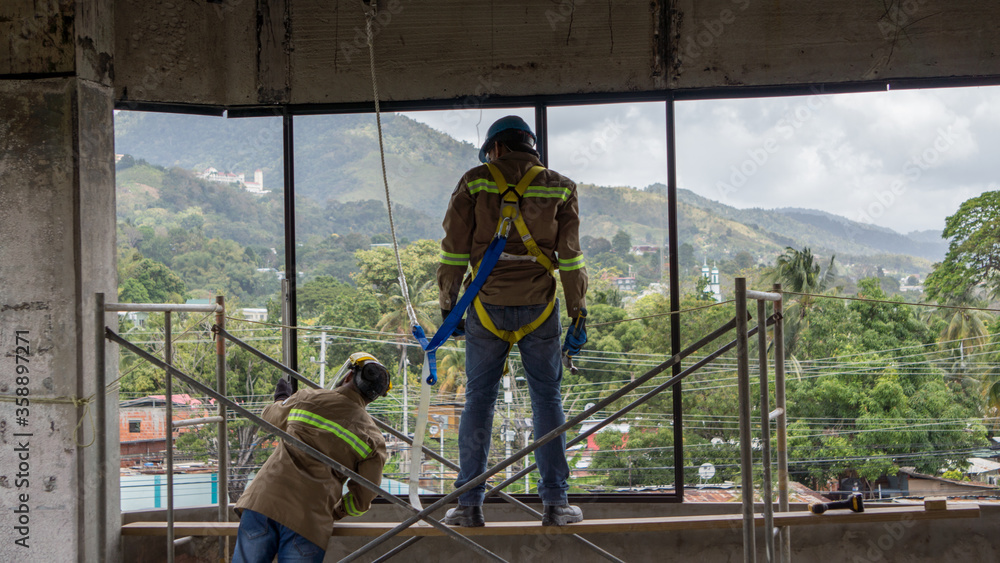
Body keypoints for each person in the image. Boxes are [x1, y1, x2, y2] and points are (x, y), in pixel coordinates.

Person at [437, 115, 588, 527]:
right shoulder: (561, 185)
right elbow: (571, 259)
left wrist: (450, 305)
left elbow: (453, 251)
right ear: (531, 148)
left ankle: (469, 505)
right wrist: (578, 311)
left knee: (479, 401)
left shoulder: (474, 181)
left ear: (497, 149)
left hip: (485, 304)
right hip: (540, 306)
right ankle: (556, 504)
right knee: (547, 400)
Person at [232, 352, 391, 562]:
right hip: (310, 519)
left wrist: (281, 399)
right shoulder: (373, 439)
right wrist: (334, 512)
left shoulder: (307, 398)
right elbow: (363, 497)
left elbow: (270, 418)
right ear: (373, 396)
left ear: (349, 377)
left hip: (263, 502)